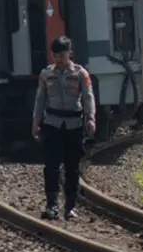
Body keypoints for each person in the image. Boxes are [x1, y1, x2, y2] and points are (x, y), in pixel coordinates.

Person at [32, 36, 95, 221]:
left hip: (74, 125)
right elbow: (40, 99)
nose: (58, 59)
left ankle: (70, 207)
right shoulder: (46, 74)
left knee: (72, 168)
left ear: (70, 53)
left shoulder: (80, 74)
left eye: (62, 55)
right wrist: (35, 122)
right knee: (51, 166)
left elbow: (88, 97)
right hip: (52, 123)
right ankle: (51, 205)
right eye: (55, 55)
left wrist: (91, 118)